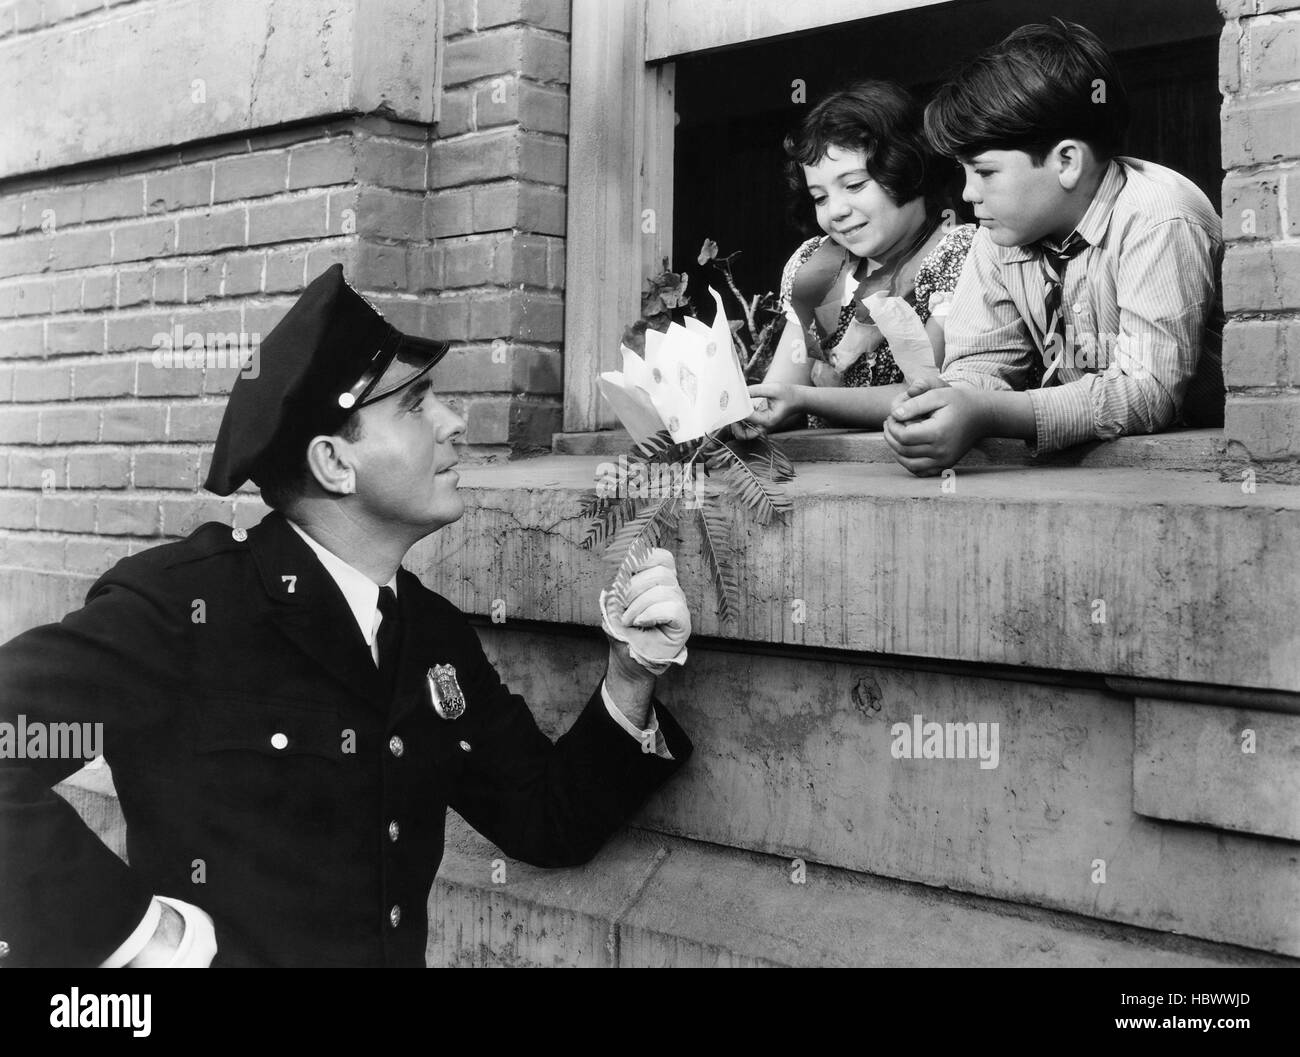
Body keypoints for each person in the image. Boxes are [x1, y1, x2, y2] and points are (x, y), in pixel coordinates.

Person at [0, 265, 694, 967]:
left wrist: (632, 674)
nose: (455, 422)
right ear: (333, 462)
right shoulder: (185, 610)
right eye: (417, 403)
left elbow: (548, 821)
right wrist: (144, 940)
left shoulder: (432, 638)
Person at [885, 20, 1225, 475]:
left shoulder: (1158, 216)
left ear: (1066, 161)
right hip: (1096, 464)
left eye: (984, 172)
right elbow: (982, 362)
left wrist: (986, 413)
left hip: (1194, 464)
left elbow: (1148, 392)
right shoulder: (1001, 231)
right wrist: (946, 401)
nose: (968, 194)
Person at [735, 80, 975, 437]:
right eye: (819, 198)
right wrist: (747, 412)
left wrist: (804, 400)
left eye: (855, 185)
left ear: (909, 167)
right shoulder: (813, 265)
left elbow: (926, 395)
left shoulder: (956, 255)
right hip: (833, 471)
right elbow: (783, 386)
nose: (836, 211)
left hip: (920, 466)